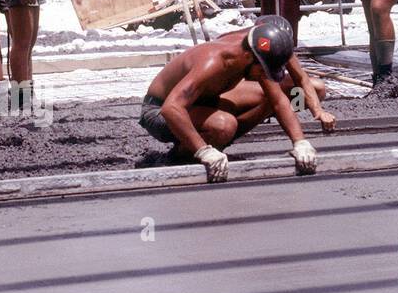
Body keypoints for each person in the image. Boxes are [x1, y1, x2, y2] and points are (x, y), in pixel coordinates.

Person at [138, 16, 329, 180]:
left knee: (311, 90)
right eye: (262, 71)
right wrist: (203, 151)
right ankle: (177, 156)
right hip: (160, 112)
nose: (264, 75)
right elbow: (171, 109)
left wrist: (300, 141)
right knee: (224, 125)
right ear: (250, 58)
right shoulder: (214, 62)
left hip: (202, 101)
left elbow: (282, 97)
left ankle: (218, 138)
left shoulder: (264, 52)